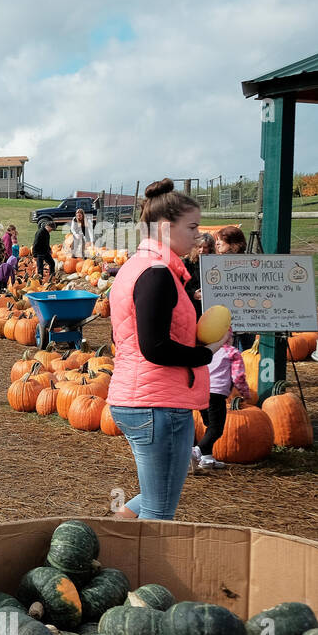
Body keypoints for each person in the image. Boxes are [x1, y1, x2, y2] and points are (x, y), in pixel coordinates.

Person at [109, 179, 217, 521]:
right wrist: (205, 353)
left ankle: (106, 539)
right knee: (160, 508)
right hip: (158, 404)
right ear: (167, 228)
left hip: (139, 397)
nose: (198, 235)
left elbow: (127, 338)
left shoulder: (139, 267)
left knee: (159, 492)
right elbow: (154, 347)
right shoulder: (157, 274)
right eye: (193, 227)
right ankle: (144, 572)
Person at [192, 331, 249, 474]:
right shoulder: (232, 352)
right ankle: (196, 452)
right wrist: (245, 393)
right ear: (228, 337)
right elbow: (238, 377)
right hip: (216, 395)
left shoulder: (205, 350)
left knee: (209, 425)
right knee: (216, 429)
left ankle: (207, 458)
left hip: (201, 393)